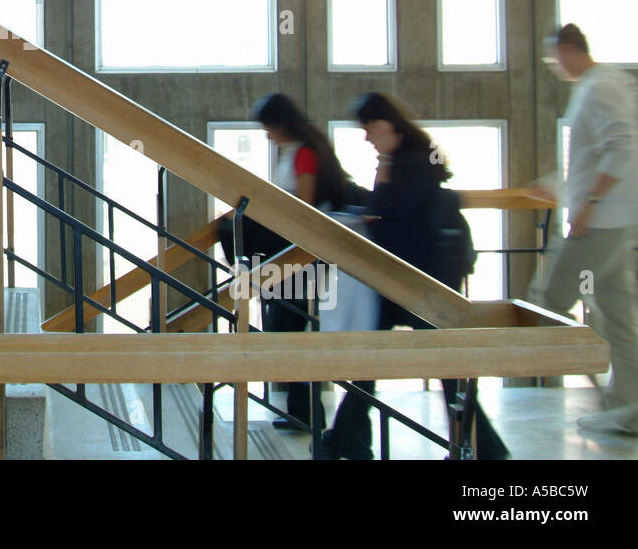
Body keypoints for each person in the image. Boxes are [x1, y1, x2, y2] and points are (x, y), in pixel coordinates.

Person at [319, 93, 510, 460]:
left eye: (370, 128)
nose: (367, 137)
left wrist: (376, 193)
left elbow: (393, 214)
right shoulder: (402, 160)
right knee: (392, 363)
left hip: (420, 283)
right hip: (404, 280)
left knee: (438, 368)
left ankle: (485, 448)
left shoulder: (410, 162)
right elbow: (387, 212)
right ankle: (347, 440)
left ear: (387, 124)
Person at [527, 24, 638, 434]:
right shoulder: (604, 83)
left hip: (600, 223)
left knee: (547, 300)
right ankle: (627, 408)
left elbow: (623, 146)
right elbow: (593, 157)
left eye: (555, 58)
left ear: (569, 50)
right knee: (619, 316)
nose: (555, 67)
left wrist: (589, 204)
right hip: (613, 222)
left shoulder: (599, 87)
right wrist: (556, 185)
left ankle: (531, 376)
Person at [220, 93, 354, 430]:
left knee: (288, 329)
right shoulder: (297, 152)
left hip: (300, 256)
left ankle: (306, 413)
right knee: (287, 329)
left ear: (281, 124)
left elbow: (303, 207)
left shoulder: (305, 154)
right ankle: (302, 412)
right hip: (289, 255)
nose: (267, 135)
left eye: (267, 128)